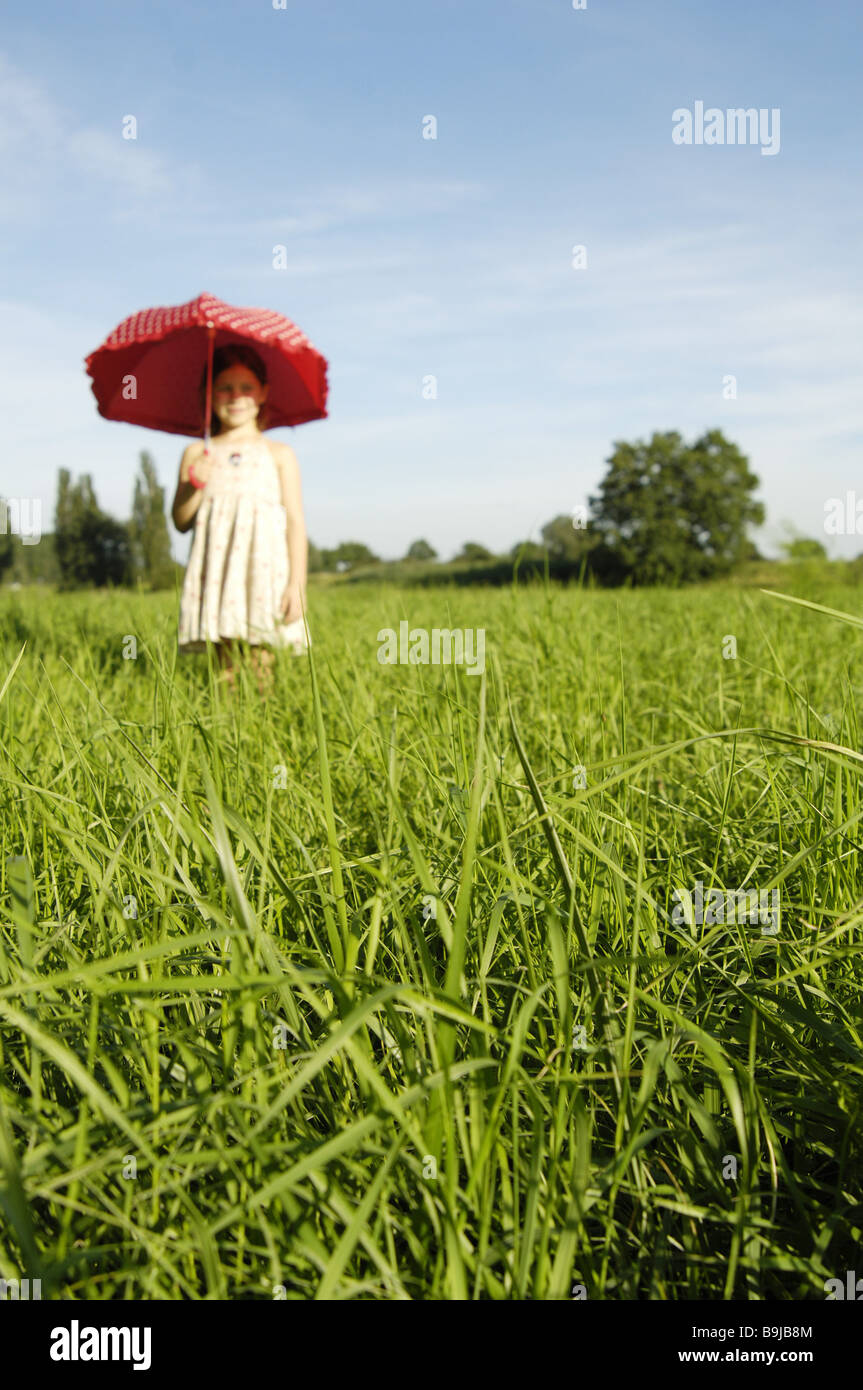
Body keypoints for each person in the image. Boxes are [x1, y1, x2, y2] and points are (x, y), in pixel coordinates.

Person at [171, 343, 309, 695]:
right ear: (210, 394)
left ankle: (261, 728)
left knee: (263, 659)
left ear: (262, 393)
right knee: (225, 665)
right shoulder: (197, 452)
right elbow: (181, 520)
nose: (236, 397)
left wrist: (297, 583)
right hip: (219, 572)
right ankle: (228, 731)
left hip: (263, 571)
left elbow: (295, 520)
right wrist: (193, 485)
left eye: (246, 388)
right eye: (225, 388)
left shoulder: (278, 454)